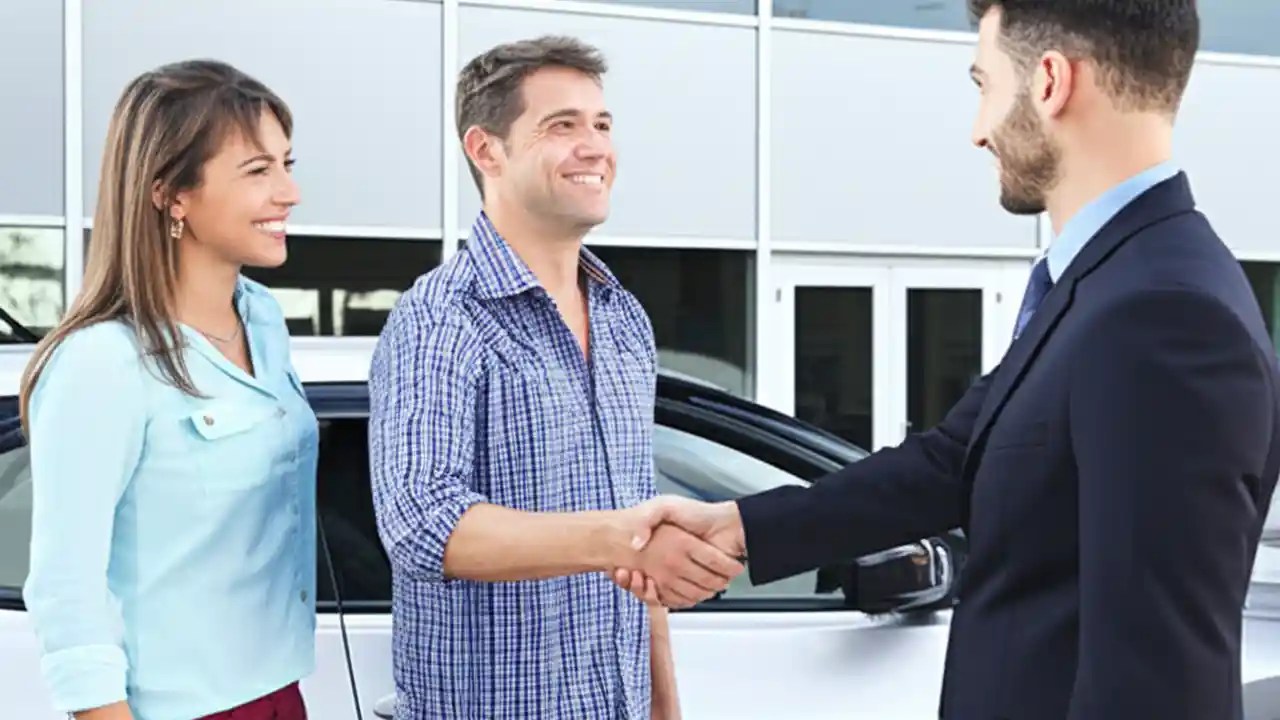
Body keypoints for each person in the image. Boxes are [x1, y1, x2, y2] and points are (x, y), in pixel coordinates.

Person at [619, 1, 1280, 718]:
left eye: (984, 86)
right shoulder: (1111, 286)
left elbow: (1156, 675)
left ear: (1050, 82)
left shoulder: (1164, 314)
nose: (978, 131)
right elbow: (952, 462)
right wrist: (740, 527)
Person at [366, 36, 741, 720]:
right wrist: (620, 539)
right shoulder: (441, 318)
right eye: (562, 126)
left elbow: (638, 541)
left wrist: (664, 706)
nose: (595, 147)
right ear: (487, 150)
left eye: (602, 124)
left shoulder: (624, 318)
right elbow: (421, 524)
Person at [20, 60, 314, 720]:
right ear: (171, 194)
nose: (289, 192)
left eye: (287, 164)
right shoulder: (102, 363)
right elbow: (67, 590)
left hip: (279, 691)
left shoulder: (264, 319)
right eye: (257, 170)